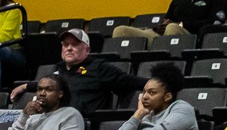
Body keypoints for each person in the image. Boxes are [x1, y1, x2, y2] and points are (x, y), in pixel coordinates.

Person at [11, 29, 144, 112]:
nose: (69, 48)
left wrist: (157, 83)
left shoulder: (99, 67)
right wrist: (25, 86)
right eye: (65, 45)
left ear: (87, 50)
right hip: (54, 119)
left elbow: (129, 81)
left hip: (82, 122)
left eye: (74, 44)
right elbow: (51, 84)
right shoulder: (59, 69)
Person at [0, 74, 83, 130]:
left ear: (60, 94)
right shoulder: (33, 116)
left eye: (48, 90)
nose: (42, 94)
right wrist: (24, 116)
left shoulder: (70, 114)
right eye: (39, 89)